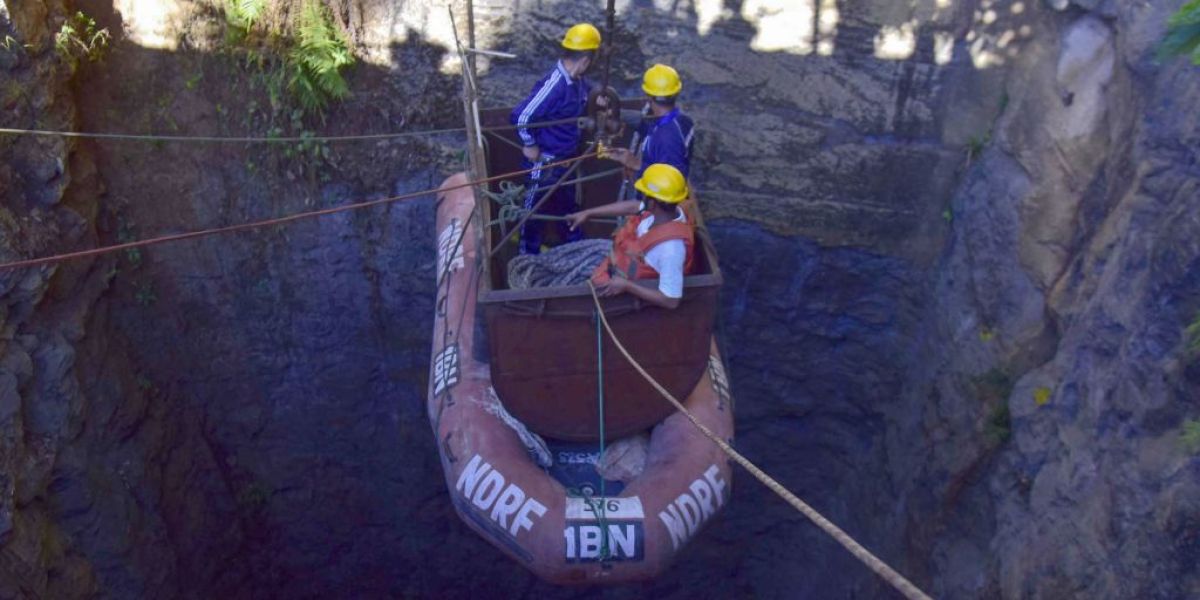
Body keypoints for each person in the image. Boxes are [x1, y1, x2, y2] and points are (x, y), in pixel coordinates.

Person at [509, 23, 601, 255]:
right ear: (585, 61)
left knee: (567, 207)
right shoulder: (554, 86)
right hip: (545, 163)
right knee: (534, 211)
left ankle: (574, 248)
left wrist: (596, 96)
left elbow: (586, 87)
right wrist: (529, 145)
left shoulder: (577, 80)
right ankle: (527, 257)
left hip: (565, 162)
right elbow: (521, 116)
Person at [566, 163, 695, 310]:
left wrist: (627, 286)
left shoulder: (670, 249)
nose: (642, 197)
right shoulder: (666, 212)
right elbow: (633, 206)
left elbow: (671, 301)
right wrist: (588, 213)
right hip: (615, 271)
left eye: (644, 194)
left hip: (625, 291)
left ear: (652, 203)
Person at [602, 64, 695, 182]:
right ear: (676, 93)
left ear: (649, 96)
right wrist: (617, 113)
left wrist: (637, 165)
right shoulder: (680, 120)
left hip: (653, 197)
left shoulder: (667, 139)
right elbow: (649, 126)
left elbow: (669, 183)